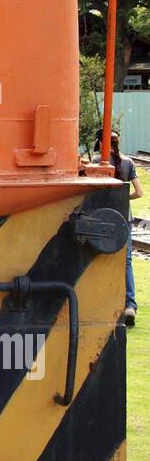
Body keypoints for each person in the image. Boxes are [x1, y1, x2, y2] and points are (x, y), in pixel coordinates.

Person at [95, 130, 144, 326]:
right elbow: (139, 192)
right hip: (125, 216)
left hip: (104, 216)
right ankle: (130, 305)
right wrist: (125, 198)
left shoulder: (98, 162)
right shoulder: (128, 162)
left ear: (101, 142)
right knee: (127, 262)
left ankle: (104, 303)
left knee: (99, 258)